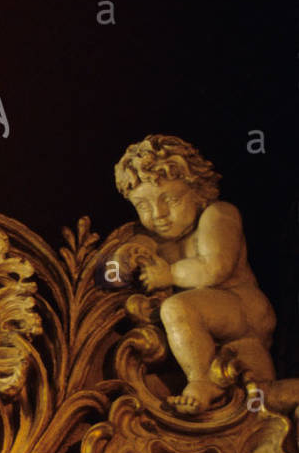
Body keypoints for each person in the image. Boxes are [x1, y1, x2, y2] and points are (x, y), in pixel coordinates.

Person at [113, 135, 275, 415]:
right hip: (216, 324)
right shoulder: (158, 237)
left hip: (243, 308)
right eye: (143, 206)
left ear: (198, 190)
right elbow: (133, 254)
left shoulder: (218, 214)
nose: (158, 214)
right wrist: (126, 256)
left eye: (171, 199)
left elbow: (215, 267)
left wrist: (170, 274)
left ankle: (201, 382)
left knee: (178, 307)